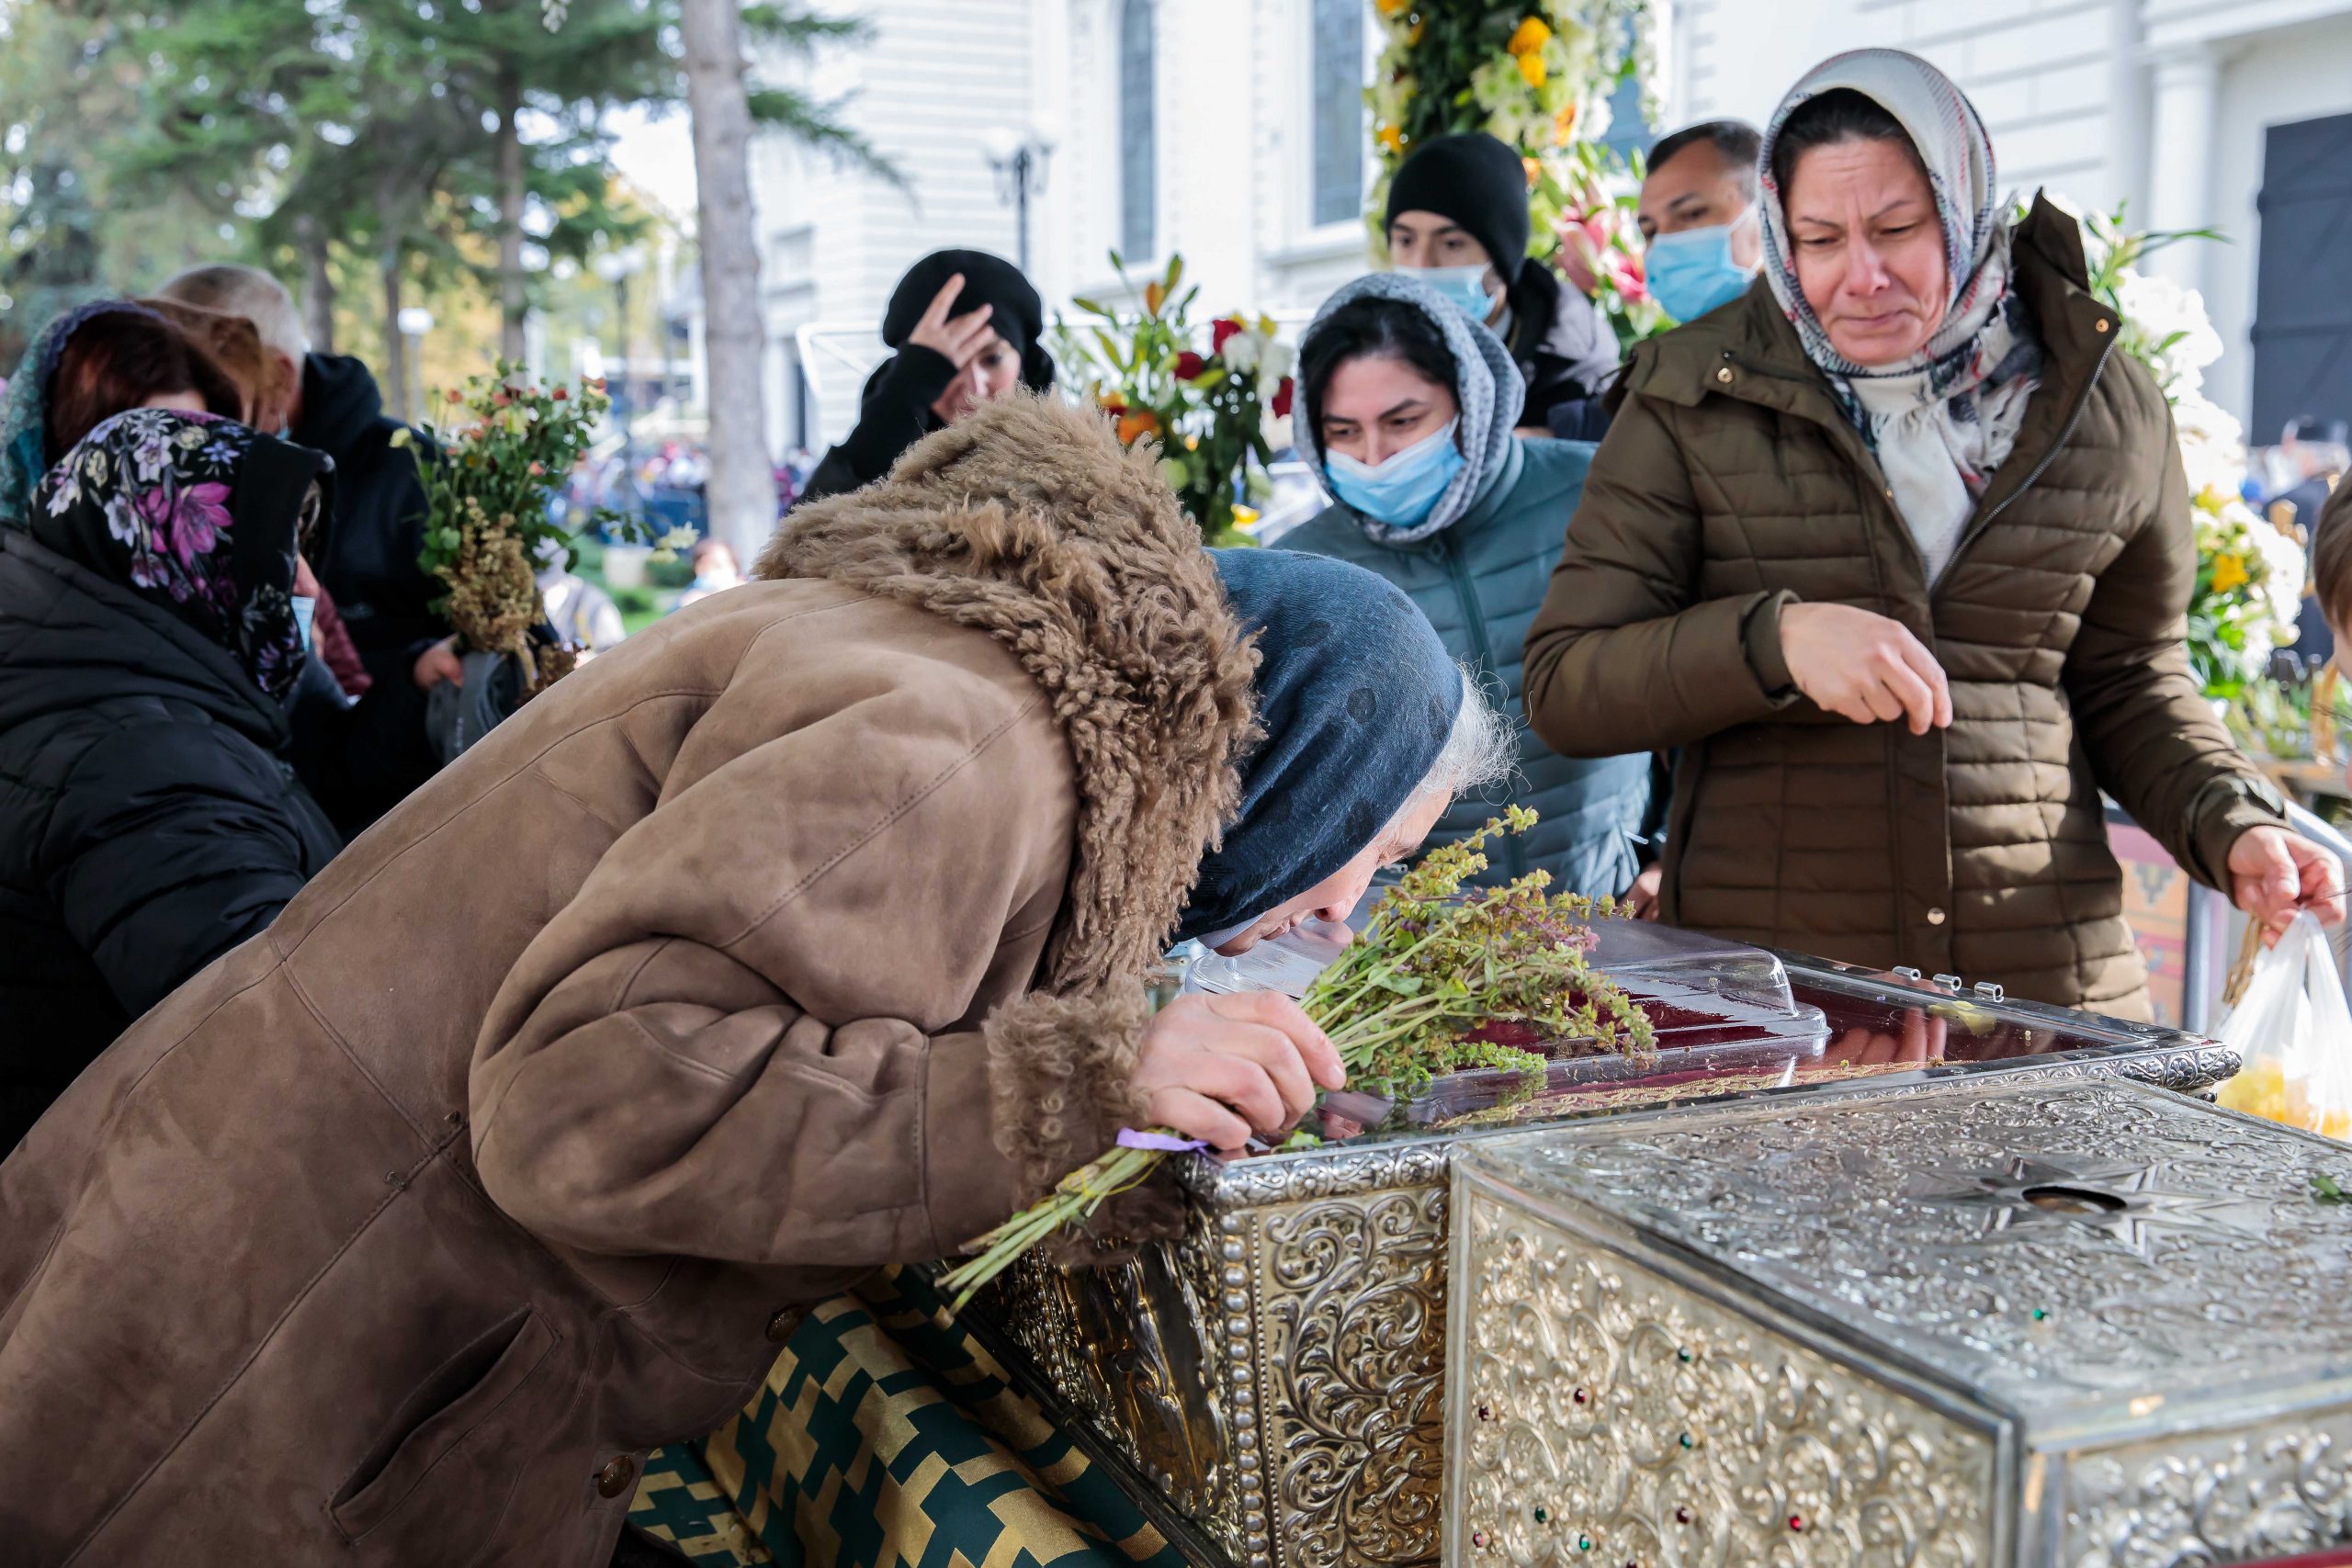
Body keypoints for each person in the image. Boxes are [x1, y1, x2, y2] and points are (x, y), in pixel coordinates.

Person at [0, 392, 1510, 1565]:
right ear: (1288, 773)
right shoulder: (970, 749)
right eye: (1368, 853)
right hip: (284, 1376)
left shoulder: (935, 660)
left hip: (263, 1286)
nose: (1344, 905)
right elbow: (588, 1101)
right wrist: (1083, 1086)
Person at [1522, 48, 2343, 1015]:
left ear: (1964, 202)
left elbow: (2131, 678)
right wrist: (1772, 642)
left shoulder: (2099, 399)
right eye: (1818, 239)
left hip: (2043, 992)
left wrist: (2228, 821)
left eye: (1897, 229)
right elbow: (1568, 683)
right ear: (1779, 236)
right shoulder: (1691, 395)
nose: (1860, 276)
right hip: (1783, 998)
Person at [0, 308, 340, 1147]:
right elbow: (297, 1055)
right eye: (271, 550)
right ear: (181, 560)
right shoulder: (149, 764)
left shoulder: (105, 684)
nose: (303, 582)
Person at [1280, 273, 1651, 897]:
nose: (1374, 457)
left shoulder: (1600, 495)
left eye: (1404, 421)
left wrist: (1670, 854)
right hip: (1411, 958)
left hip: (1618, 917)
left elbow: (1695, 684)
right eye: (1343, 432)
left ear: (1469, 398)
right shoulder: (1304, 570)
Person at [153, 264, 464, 695]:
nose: (188, 411)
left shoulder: (415, 476)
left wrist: (410, 677)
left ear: (279, 377)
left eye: (206, 383)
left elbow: (493, 652)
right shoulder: (170, 484)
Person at [1385, 131, 1621, 441]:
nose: (1422, 264)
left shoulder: (1574, 368)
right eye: (1405, 240)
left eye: (1452, 243)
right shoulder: (1365, 350)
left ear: (1502, 262)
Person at [796, 249, 1057, 507]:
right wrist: (886, 424)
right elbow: (801, 540)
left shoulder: (1072, 455)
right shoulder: (871, 462)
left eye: (993, 359)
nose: (974, 388)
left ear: (1023, 362)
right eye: (948, 366)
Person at [1637, 119, 1765, 325]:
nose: (1665, 240)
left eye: (1691, 213)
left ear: (1764, 213)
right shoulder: (1663, 355)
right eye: (1650, 231)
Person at [673, 536, 741, 609]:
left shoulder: (748, 593)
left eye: (718, 565)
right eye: (704, 567)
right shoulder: (690, 598)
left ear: (734, 565)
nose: (711, 572)